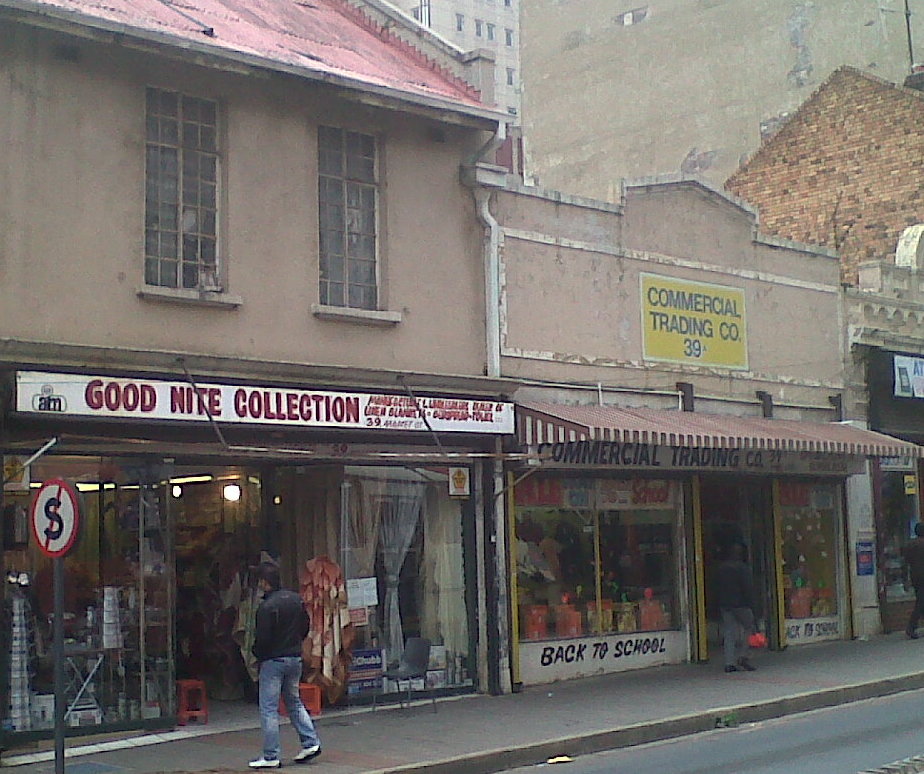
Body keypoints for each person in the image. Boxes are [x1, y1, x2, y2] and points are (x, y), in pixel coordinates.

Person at [249, 562, 321, 769]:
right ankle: (311, 742)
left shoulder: (266, 607)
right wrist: (296, 642)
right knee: (294, 702)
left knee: (269, 708)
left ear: (264, 582)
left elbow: (262, 639)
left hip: (273, 661)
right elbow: (305, 626)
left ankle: (271, 755)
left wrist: (257, 655)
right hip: (294, 657)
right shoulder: (295, 599)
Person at [716, 542, 757, 673]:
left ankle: (729, 663)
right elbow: (747, 588)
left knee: (729, 632)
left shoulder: (721, 568)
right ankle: (743, 656)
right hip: (741, 604)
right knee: (749, 627)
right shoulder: (743, 568)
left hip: (725, 604)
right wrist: (753, 605)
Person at [902, 522, 924, 639]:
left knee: (921, 600)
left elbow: (905, 563)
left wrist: (905, 579)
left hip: (915, 577)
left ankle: (912, 626)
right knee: (921, 602)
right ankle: (911, 626)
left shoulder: (910, 545)